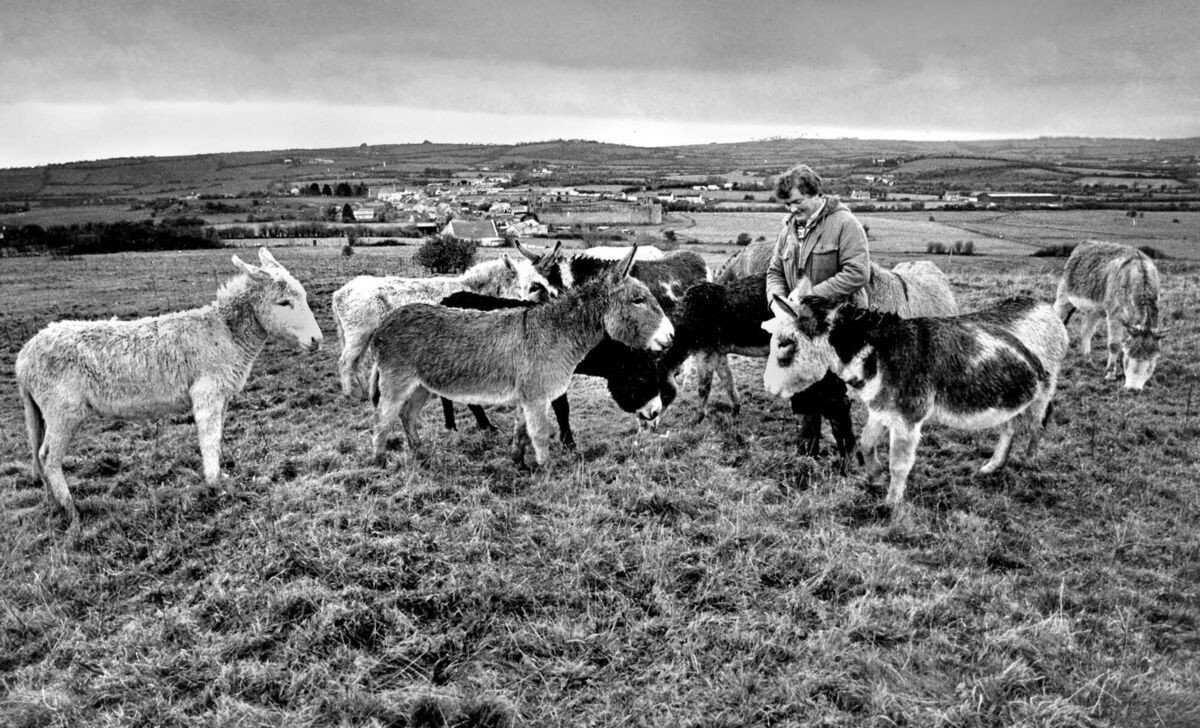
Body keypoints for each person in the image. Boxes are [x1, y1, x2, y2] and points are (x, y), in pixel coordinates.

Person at [766, 164, 870, 459]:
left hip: (835, 324)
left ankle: (848, 452)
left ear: (815, 194)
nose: (792, 209)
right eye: (787, 204)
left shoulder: (844, 224)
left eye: (797, 202)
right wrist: (776, 300)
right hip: (798, 325)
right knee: (799, 386)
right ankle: (806, 458)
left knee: (831, 390)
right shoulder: (788, 229)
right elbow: (774, 270)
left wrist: (811, 296)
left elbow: (858, 273)